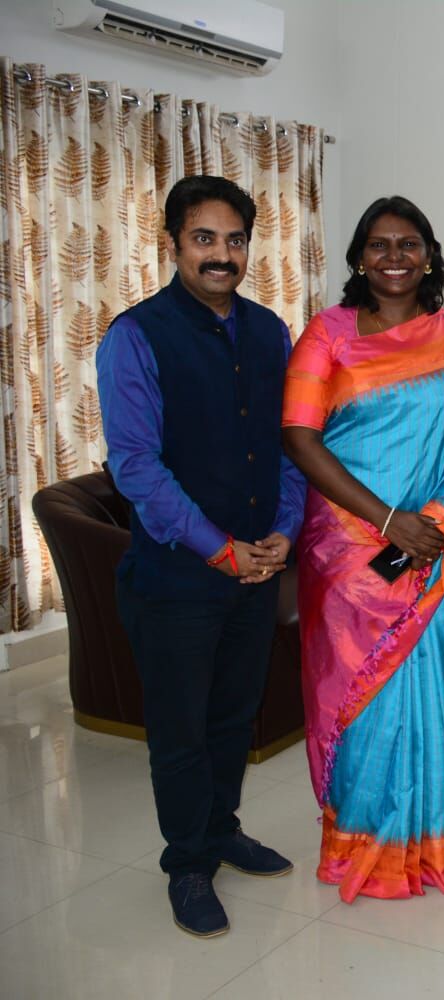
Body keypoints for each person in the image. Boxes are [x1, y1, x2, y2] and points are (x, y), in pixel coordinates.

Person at [97, 174, 305, 938]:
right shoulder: (136, 335)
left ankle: (221, 829)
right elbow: (136, 467)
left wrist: (286, 528)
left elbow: (285, 445)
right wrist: (219, 551)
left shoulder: (268, 331)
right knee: (181, 729)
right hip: (179, 577)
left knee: (231, 717)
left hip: (255, 569)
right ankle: (187, 862)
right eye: (205, 239)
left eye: (235, 239)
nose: (222, 255)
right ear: (175, 243)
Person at [282, 196, 444, 903]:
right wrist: (389, 520)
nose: (394, 258)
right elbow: (300, 438)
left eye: (408, 245)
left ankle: (421, 849)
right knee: (356, 695)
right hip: (345, 548)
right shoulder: (327, 334)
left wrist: (434, 522)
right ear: (358, 259)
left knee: (417, 691)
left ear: (429, 256)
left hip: (430, 540)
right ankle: (361, 844)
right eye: (379, 245)